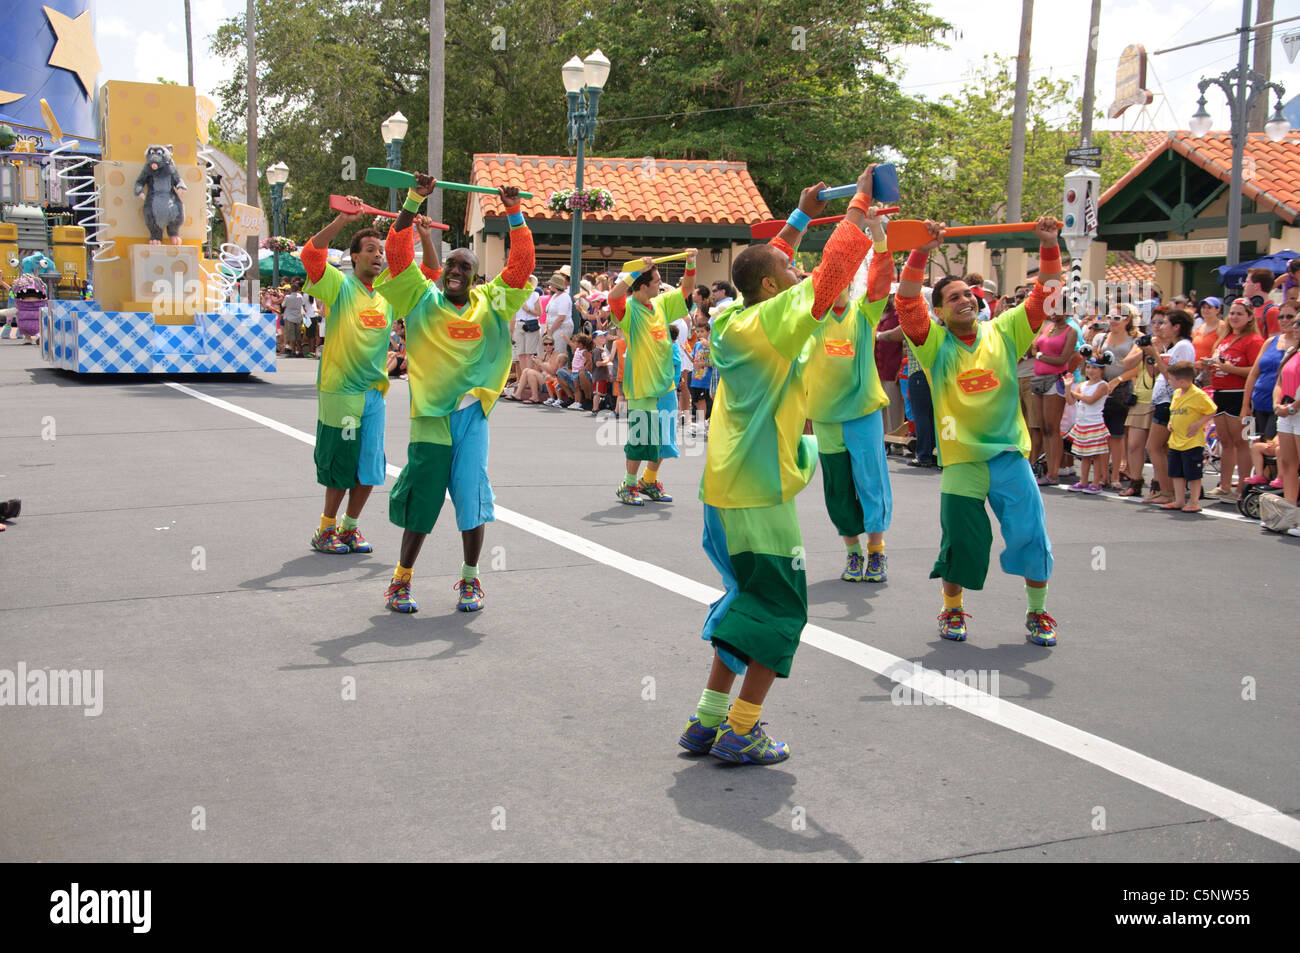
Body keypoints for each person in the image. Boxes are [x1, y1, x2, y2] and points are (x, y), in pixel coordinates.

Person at [680, 171, 878, 766]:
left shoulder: (732, 319)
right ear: (771, 287)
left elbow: (776, 267)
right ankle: (743, 729)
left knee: (746, 602)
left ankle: (707, 721)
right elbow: (827, 278)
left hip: (727, 490)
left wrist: (797, 216)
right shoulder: (768, 323)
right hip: (758, 494)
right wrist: (860, 206)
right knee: (781, 609)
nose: (796, 274)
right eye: (787, 273)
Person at [895, 215, 1062, 646]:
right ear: (940, 312)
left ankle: (1038, 613)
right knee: (962, 543)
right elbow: (907, 302)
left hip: (1009, 457)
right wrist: (921, 250)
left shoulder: (1004, 331)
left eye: (968, 294)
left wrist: (1048, 244)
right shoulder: (932, 344)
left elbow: (1047, 295)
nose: (965, 300)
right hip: (962, 462)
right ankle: (952, 611)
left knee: (1031, 535)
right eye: (953, 298)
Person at [376, 174, 534, 614]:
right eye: (453, 265)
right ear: (442, 270)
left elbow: (520, 264)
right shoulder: (421, 298)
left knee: (472, 498)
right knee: (423, 500)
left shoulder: (492, 300)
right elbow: (396, 252)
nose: (457, 271)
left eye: (466, 266)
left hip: (472, 417)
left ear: (476, 274)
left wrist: (514, 212)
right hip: (430, 416)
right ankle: (400, 582)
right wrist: (413, 200)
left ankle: (470, 579)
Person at [300, 197, 393, 556]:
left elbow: (430, 277)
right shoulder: (338, 286)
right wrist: (343, 219)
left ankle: (350, 528)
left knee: (370, 466)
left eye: (381, 251)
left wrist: (421, 235)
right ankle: (326, 528)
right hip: (341, 391)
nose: (378, 255)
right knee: (341, 463)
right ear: (354, 256)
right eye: (370, 249)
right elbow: (311, 255)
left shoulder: (386, 296)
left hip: (374, 393)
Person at [807, 225, 895, 583]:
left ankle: (876, 552)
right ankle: (852, 553)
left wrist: (879, 238)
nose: (837, 286)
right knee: (838, 488)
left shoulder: (864, 314)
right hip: (826, 417)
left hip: (862, 413)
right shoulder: (809, 321)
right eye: (829, 280)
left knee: (871, 482)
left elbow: (880, 278)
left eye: (842, 279)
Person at [606, 248, 698, 505]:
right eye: (657, 281)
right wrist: (634, 271)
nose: (661, 285)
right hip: (642, 387)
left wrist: (691, 264)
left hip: (665, 385)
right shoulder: (629, 310)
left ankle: (649, 480)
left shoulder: (661, 304)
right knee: (641, 438)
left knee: (664, 439)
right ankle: (628, 484)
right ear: (643, 286)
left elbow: (687, 289)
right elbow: (613, 297)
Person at [1201, 299, 1264, 501]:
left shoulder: (1254, 340)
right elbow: (1219, 364)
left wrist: (1230, 369)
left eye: (1240, 314)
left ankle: (1243, 486)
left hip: (1240, 394)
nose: (1235, 317)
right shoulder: (1225, 339)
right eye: (1233, 313)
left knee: (1241, 442)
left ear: (1249, 317)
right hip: (1220, 393)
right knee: (1225, 441)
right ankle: (1225, 484)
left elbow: (1256, 371)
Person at [1140, 308, 1196, 505]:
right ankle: (1167, 489)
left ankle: (1167, 490)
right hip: (1164, 400)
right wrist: (1151, 354)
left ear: (1177, 326)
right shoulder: (1174, 347)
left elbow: (1174, 377)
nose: (1161, 327)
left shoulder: (1183, 347)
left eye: (1165, 323)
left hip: (1170, 401)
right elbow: (1156, 372)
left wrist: (1154, 353)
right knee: (1161, 448)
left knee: (1153, 446)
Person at [1242, 299, 1298, 457]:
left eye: (1289, 316)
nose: (1285, 320)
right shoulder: (1270, 341)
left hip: (1281, 404)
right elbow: (1254, 373)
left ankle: (1272, 480)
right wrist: (1245, 404)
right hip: (1259, 402)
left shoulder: (1297, 345)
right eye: (1281, 317)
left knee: (1271, 448)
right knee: (1255, 444)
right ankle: (1259, 478)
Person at [1029, 301, 1077, 485]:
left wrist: (1040, 356)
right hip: (1038, 379)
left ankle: (1053, 471)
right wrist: (1038, 354)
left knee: (1052, 427)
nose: (1055, 314)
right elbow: (1034, 346)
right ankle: (1045, 466)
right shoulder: (1047, 328)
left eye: (1059, 310)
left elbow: (1063, 359)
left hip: (1055, 380)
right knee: (1042, 426)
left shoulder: (1070, 332)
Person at [1163, 362, 1218, 512]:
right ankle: (1179, 500)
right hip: (1175, 439)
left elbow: (1212, 410)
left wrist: (1199, 423)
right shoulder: (1176, 393)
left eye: (1171, 379)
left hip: (1192, 441)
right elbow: (1174, 411)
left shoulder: (1198, 395)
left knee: (1193, 473)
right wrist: (1170, 422)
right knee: (1176, 472)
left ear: (1182, 381)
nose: (1169, 381)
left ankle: (1194, 501)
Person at [1065, 352, 1115, 493]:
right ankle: (1083, 481)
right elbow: (1070, 401)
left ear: (1101, 370)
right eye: (1088, 367)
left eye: (1094, 368)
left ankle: (1096, 482)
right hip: (1082, 423)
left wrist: (1075, 393)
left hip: (1095, 423)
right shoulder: (1082, 384)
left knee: (1096, 455)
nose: (1090, 371)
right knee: (1085, 455)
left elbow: (1091, 400)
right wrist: (1068, 388)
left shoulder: (1103, 385)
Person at [1271, 342, 1300, 505]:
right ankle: (1290, 511)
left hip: (1295, 411)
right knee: (1288, 464)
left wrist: (1292, 408)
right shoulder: (1292, 351)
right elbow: (1279, 382)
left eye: (1298, 323)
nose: (1295, 326)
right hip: (1286, 413)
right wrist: (1276, 404)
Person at [688, 314, 714, 435]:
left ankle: (702, 424)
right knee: (697, 401)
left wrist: (703, 363)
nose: (699, 334)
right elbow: (694, 360)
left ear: (708, 332)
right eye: (697, 332)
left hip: (705, 379)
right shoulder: (697, 345)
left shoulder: (709, 345)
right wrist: (687, 353)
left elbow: (712, 362)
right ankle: (700, 423)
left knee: (703, 400)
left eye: (702, 331)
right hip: (696, 377)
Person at [511, 275, 541, 376]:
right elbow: (513, 316)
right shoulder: (516, 296)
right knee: (520, 354)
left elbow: (539, 312)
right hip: (519, 325)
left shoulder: (535, 295)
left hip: (531, 324)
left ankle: (530, 376)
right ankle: (525, 377)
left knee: (529, 353)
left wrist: (528, 310)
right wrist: (511, 332)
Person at [281, 279, 308, 357]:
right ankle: (300, 351)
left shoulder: (287, 297)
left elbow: (283, 305)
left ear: (291, 289)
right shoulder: (300, 296)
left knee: (291, 335)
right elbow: (302, 304)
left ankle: (293, 351)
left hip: (289, 316)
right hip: (298, 316)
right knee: (298, 335)